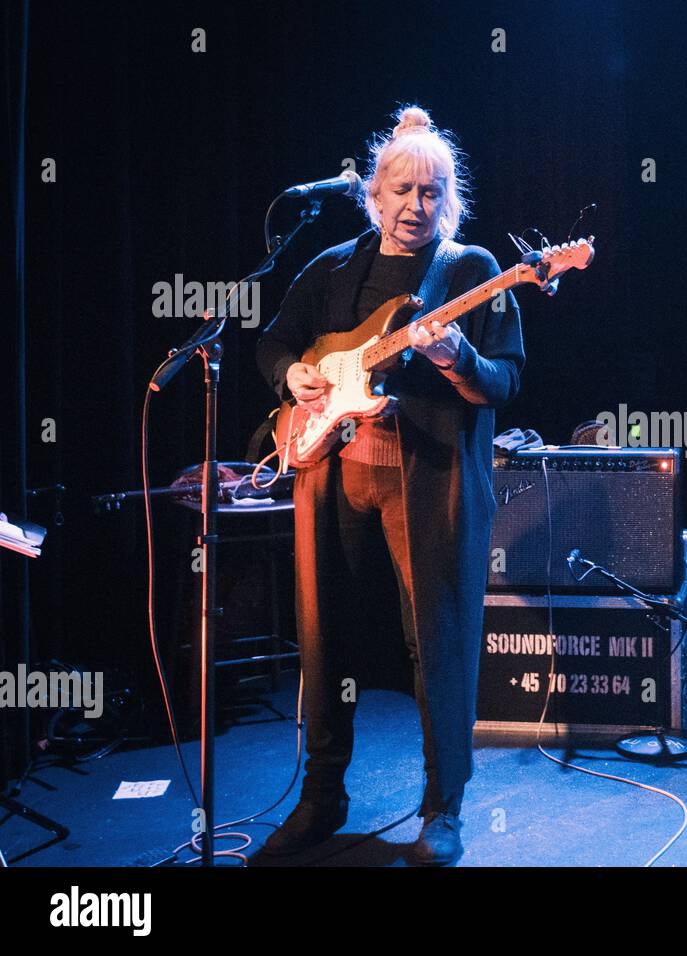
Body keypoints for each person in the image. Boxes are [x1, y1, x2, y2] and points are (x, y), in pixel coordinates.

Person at [255, 105, 524, 865]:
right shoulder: (335, 266)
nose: (416, 205)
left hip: (427, 481)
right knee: (324, 633)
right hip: (333, 469)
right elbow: (273, 341)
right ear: (373, 195)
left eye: (431, 192)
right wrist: (291, 373)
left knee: (436, 640)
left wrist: (456, 360)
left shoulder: (472, 272)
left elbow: (505, 380)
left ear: (450, 200)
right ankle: (321, 796)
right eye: (402, 189)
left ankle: (444, 807)